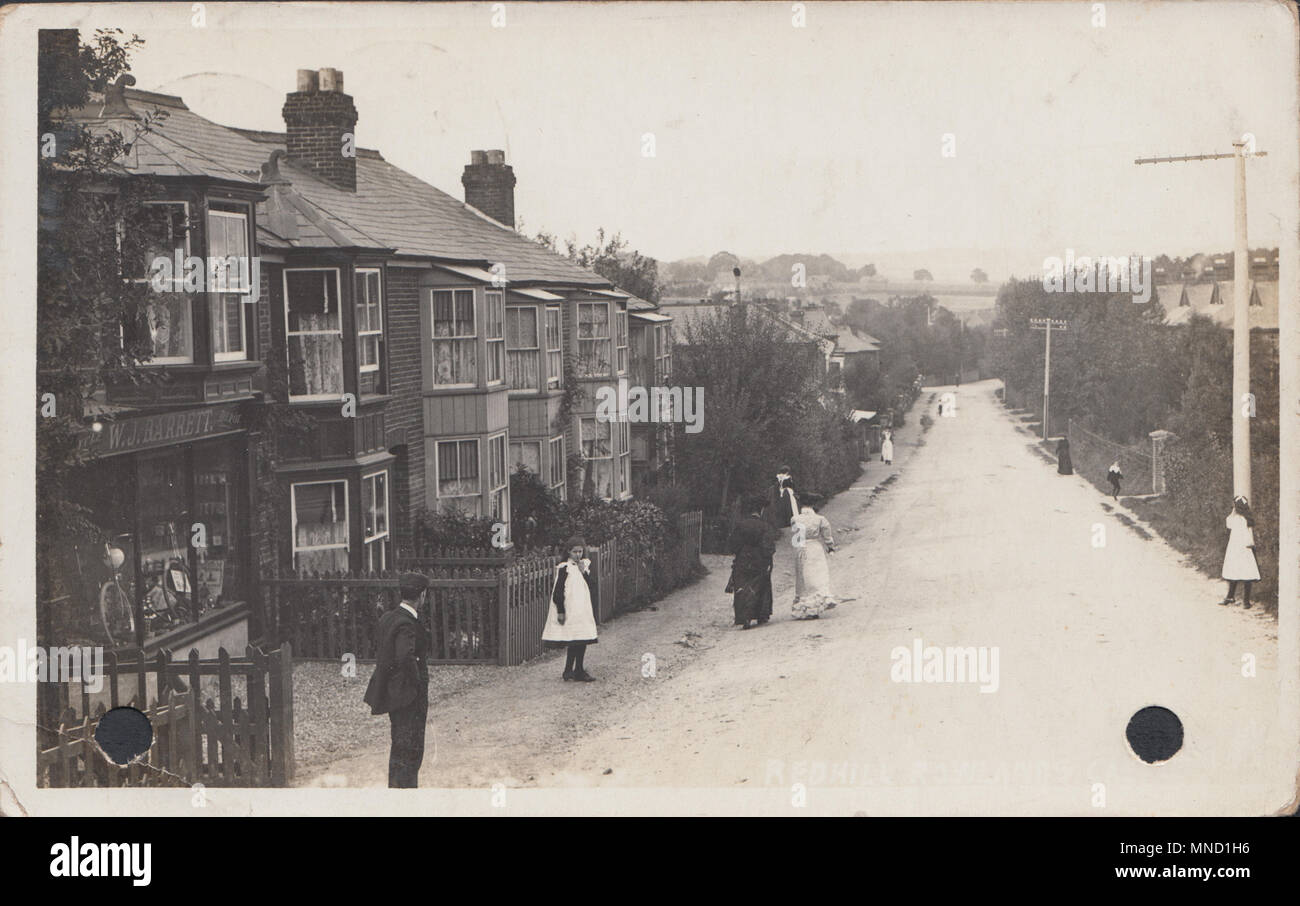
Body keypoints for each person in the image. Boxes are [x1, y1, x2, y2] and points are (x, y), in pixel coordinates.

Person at [364, 573, 431, 788]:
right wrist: (417, 681)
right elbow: (404, 656)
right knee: (411, 749)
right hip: (408, 695)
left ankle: (396, 793)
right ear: (422, 596)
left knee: (400, 744)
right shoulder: (407, 623)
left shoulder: (388, 618)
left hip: (394, 693)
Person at [541, 536, 599, 681]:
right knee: (574, 640)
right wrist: (561, 611)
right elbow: (558, 592)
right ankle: (571, 670)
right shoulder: (564, 568)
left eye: (580, 552)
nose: (578, 555)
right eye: (575, 552)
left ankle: (575, 670)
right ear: (568, 552)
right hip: (571, 610)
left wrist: (583, 572)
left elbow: (592, 586)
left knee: (582, 639)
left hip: (582, 610)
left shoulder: (584, 566)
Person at [727, 494, 776, 629]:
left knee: (742, 585)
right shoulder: (765, 526)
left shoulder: (740, 525)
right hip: (759, 559)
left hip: (743, 558)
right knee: (761, 585)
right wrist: (768, 559)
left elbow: (733, 545)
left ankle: (744, 617)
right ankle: (761, 615)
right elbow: (769, 547)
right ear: (761, 510)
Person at [790, 493, 837, 620]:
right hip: (815, 548)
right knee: (817, 575)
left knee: (803, 577)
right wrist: (830, 546)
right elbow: (827, 535)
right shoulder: (820, 519)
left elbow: (796, 537)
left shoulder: (795, 519)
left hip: (801, 548)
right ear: (813, 504)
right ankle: (816, 605)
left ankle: (805, 606)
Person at [1220, 496, 1260, 609]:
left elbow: (1228, 523)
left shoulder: (1235, 518)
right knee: (1246, 572)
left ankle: (1231, 597)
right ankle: (1245, 601)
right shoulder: (1248, 518)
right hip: (1245, 548)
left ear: (1236, 507)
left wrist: (1233, 511)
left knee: (1235, 570)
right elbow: (1250, 534)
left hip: (1237, 548)